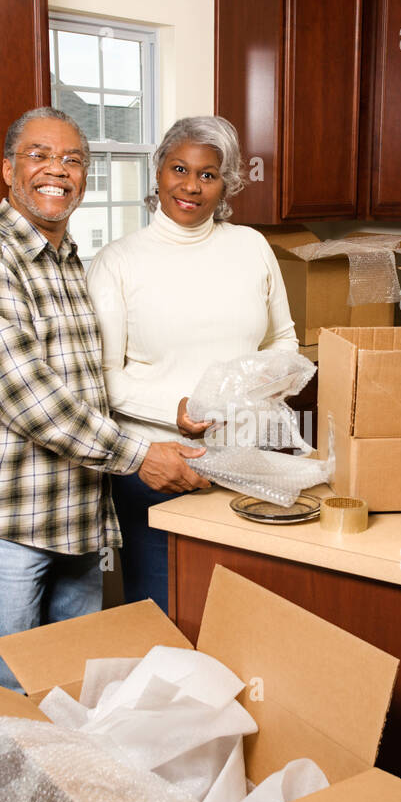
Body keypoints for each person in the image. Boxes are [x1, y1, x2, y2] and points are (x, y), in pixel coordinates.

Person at [0, 107, 209, 802]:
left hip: (77, 521)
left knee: (72, 705)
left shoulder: (69, 265)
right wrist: (141, 456)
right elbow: (34, 402)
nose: (57, 170)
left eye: (73, 159)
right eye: (39, 155)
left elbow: (95, 388)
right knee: (6, 702)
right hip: (4, 530)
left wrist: (169, 417)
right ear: (8, 170)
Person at [87, 115, 299, 613]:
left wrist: (262, 386)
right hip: (161, 469)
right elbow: (104, 379)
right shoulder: (118, 262)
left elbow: (284, 339)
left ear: (227, 183)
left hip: (249, 460)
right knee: (168, 612)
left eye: (208, 174)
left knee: (244, 612)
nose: (191, 185)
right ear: (158, 170)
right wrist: (178, 408)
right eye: (179, 168)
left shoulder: (251, 247)